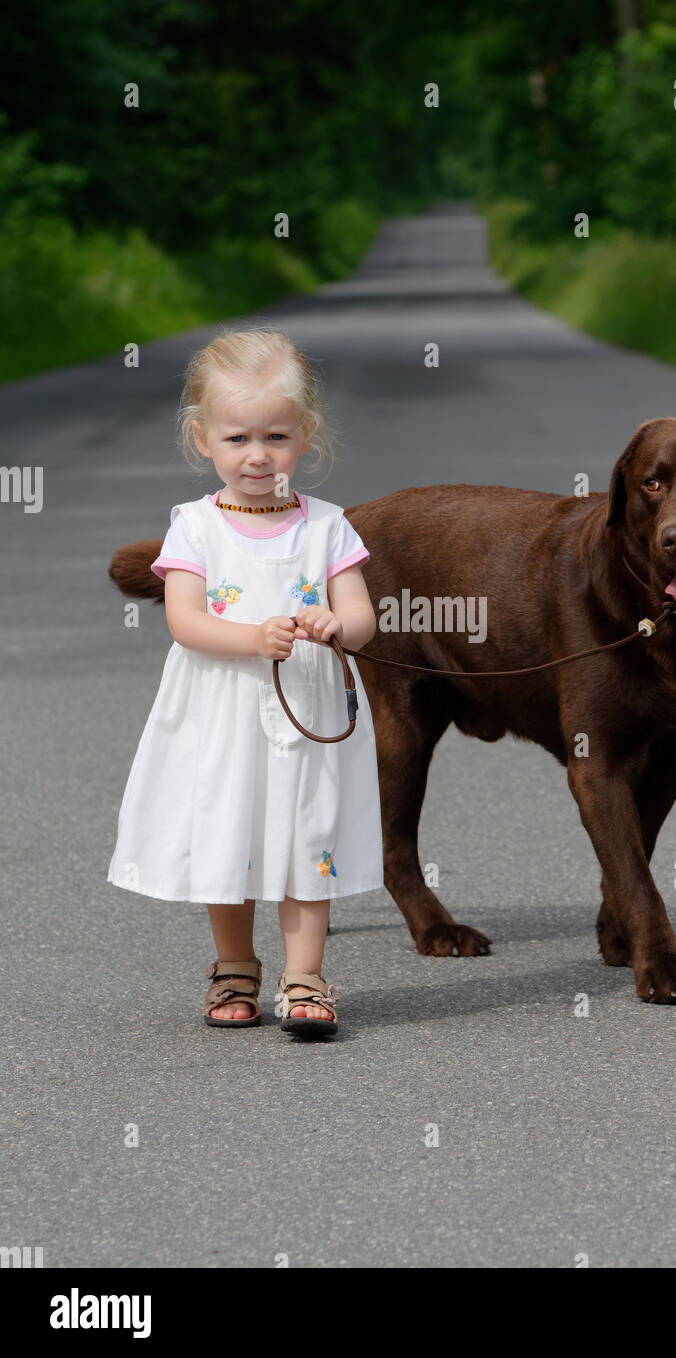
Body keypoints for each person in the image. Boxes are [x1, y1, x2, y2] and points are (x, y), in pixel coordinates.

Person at [107, 328, 384, 1037]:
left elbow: (363, 619)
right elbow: (186, 621)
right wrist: (253, 638)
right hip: (223, 710)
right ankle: (234, 964)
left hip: (305, 713)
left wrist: (335, 624)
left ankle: (305, 975)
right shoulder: (195, 527)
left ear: (306, 436)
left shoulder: (328, 527)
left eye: (275, 437)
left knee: (308, 830)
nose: (257, 455)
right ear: (202, 438)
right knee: (228, 829)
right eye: (236, 438)